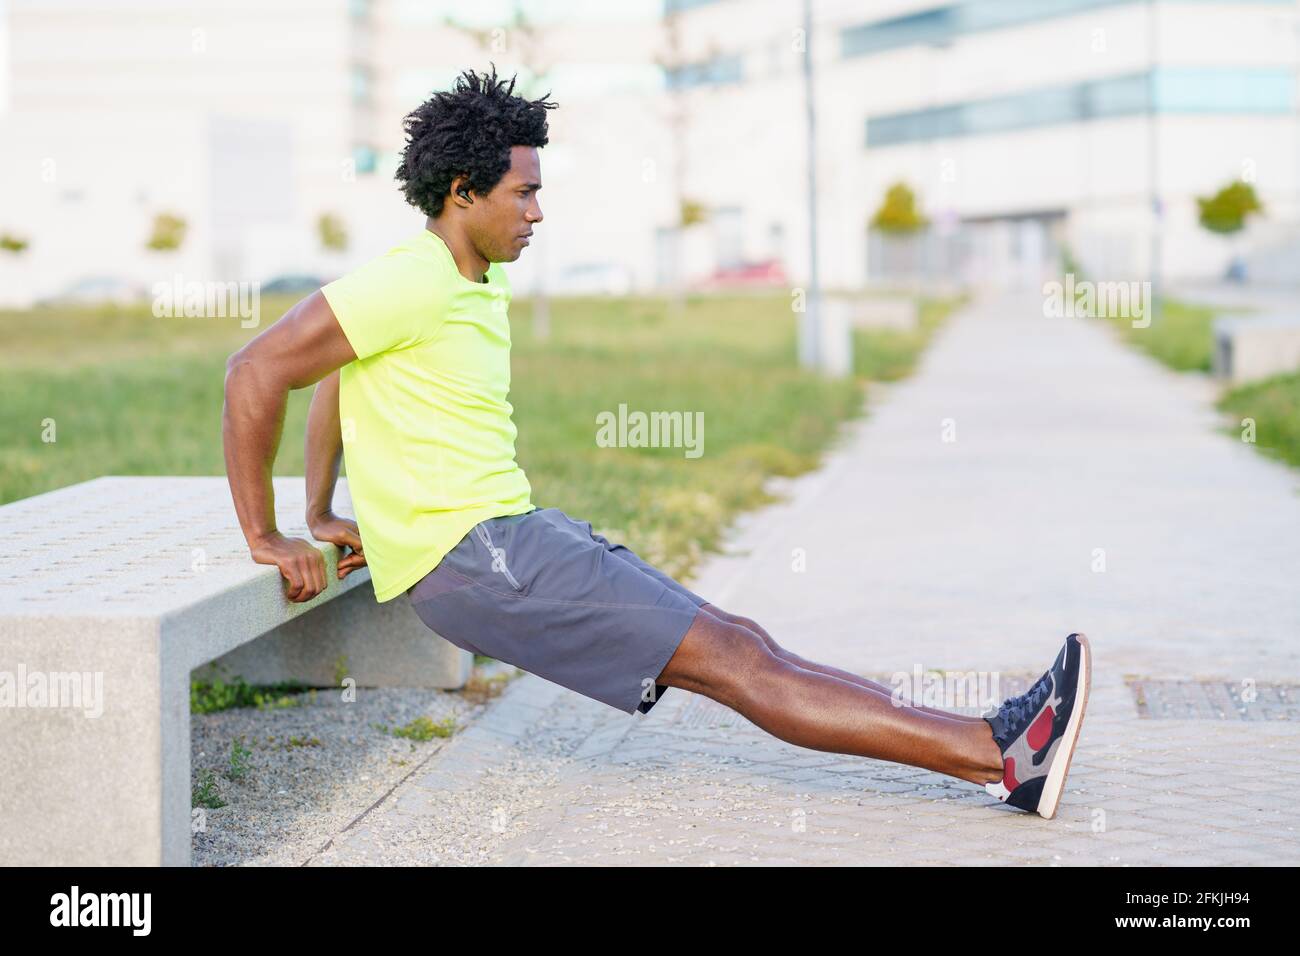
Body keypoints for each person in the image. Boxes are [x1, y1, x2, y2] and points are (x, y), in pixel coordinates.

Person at [221, 66, 1090, 819]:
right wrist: (270, 534)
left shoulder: (449, 281)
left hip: (508, 535)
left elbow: (335, 372)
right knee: (740, 666)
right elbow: (255, 370)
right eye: (523, 192)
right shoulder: (414, 277)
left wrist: (323, 508)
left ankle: (998, 736)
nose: (538, 212)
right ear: (462, 192)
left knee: (743, 641)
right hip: (480, 559)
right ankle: (999, 757)